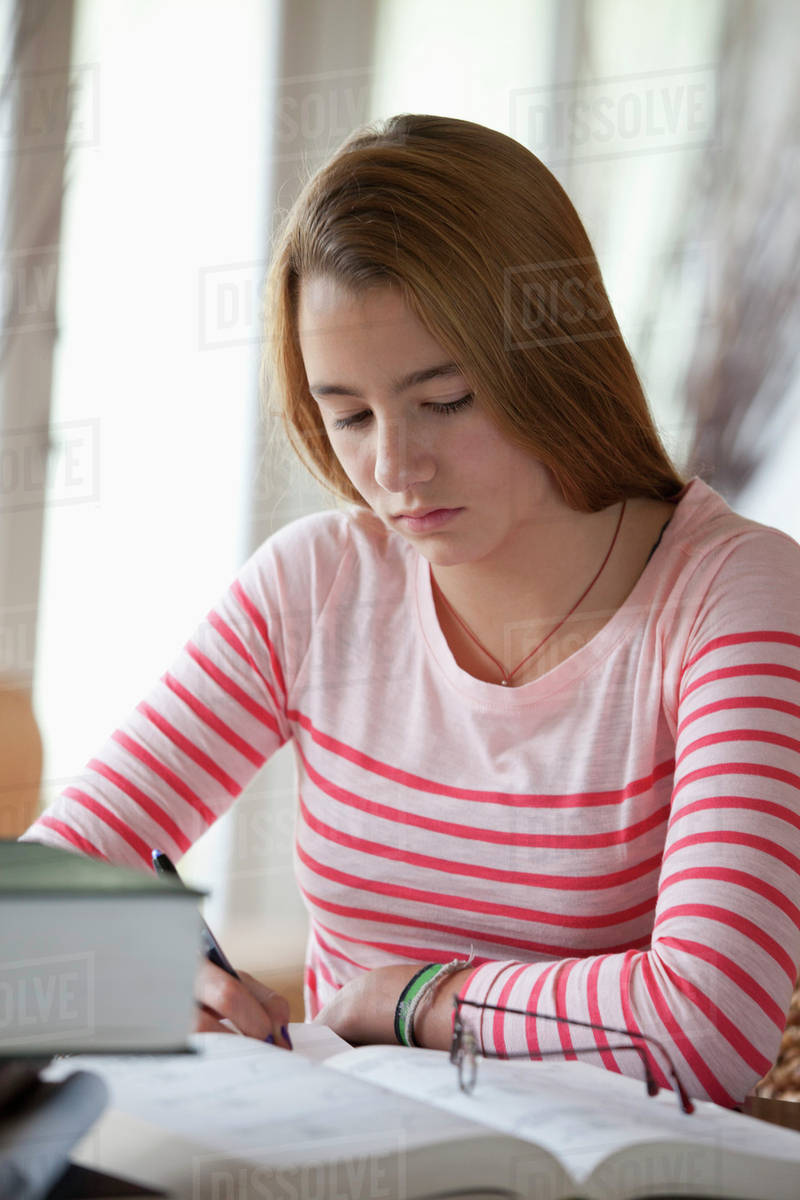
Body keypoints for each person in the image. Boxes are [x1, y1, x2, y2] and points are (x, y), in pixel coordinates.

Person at [21, 114, 800, 1107]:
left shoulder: (732, 597)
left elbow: (703, 1027)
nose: (392, 470)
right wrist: (143, 974)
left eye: (444, 400)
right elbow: (39, 903)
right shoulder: (317, 586)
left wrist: (412, 1000)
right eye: (347, 414)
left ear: (551, 359)